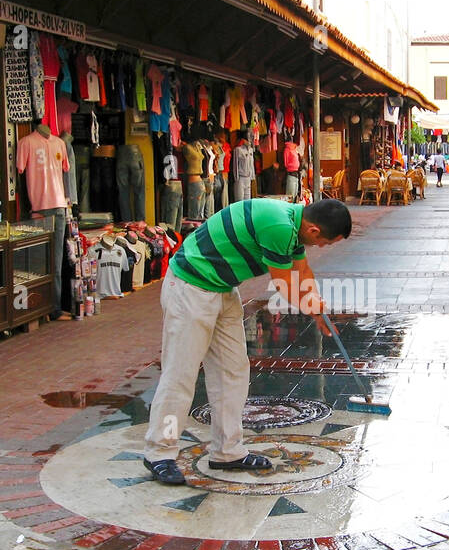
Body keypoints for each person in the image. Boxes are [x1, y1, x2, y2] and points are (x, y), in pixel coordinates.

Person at [142, 197, 352, 486]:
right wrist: (311, 304)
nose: (322, 247)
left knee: (233, 372)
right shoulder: (279, 226)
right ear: (314, 230)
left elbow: (302, 273)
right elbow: (284, 284)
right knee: (180, 374)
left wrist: (316, 309)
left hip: (223, 289)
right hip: (190, 288)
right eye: (326, 243)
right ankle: (159, 453)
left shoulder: (295, 224)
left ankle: (227, 451)